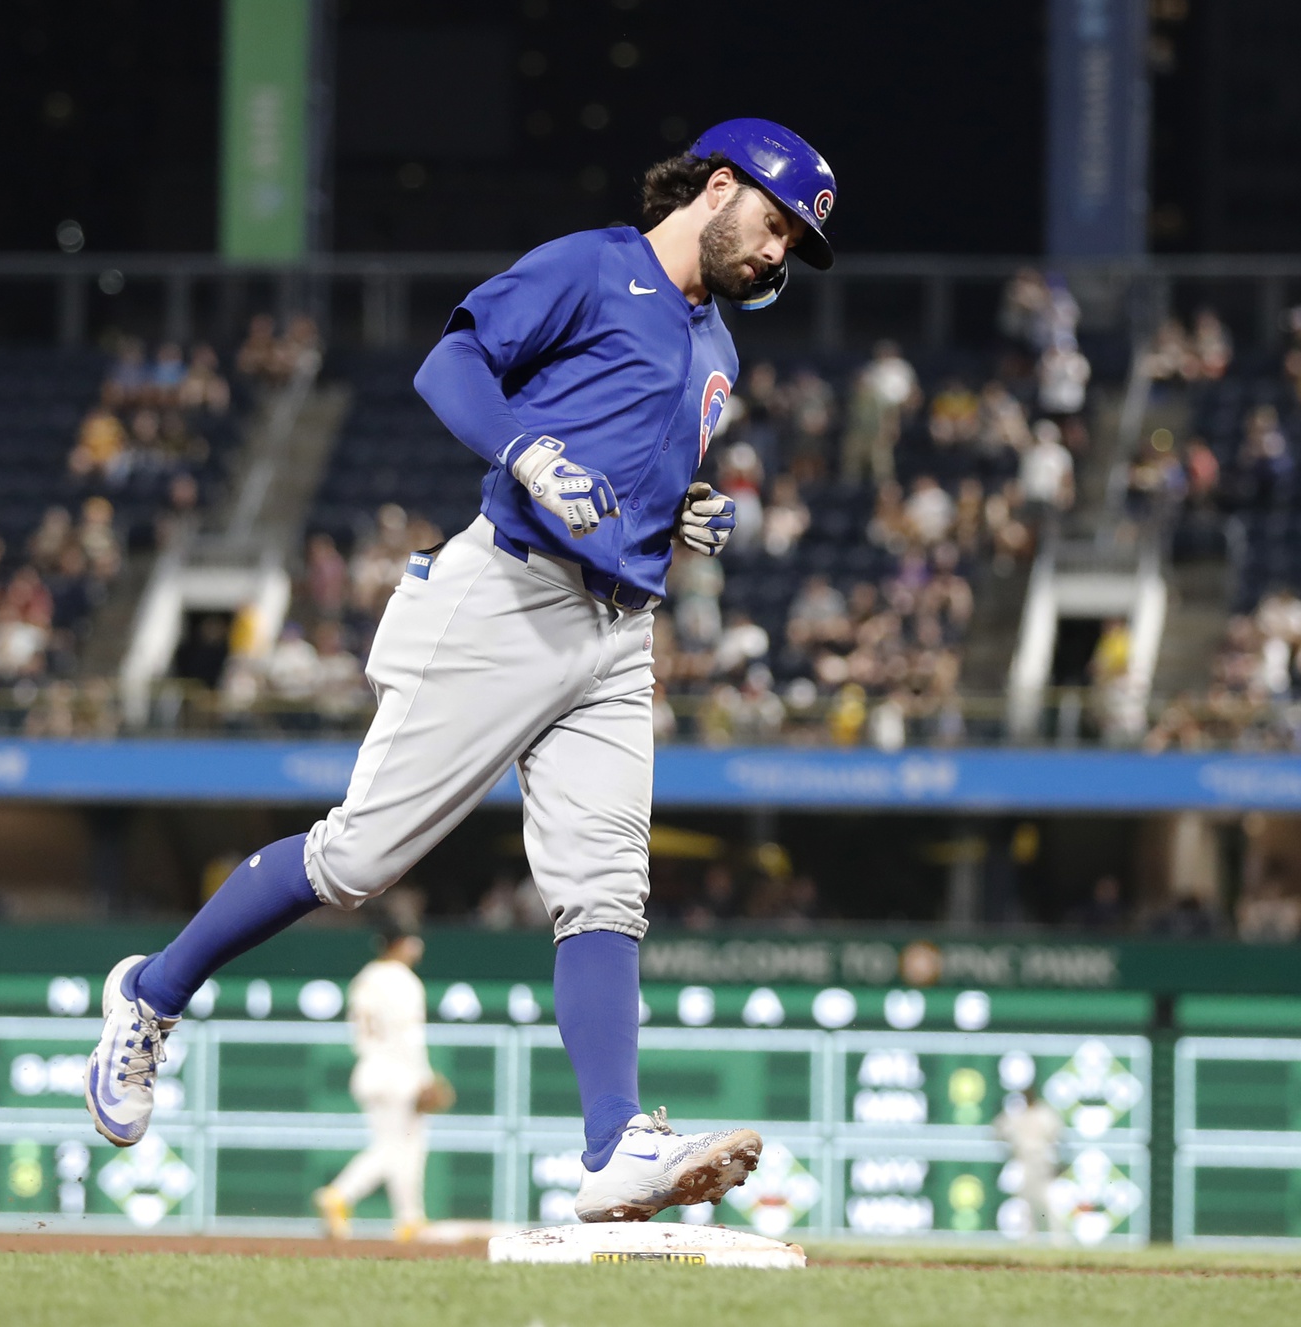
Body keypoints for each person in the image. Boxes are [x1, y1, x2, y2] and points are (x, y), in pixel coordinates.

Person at [83, 118, 840, 1224]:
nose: (777, 254)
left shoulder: (721, 348)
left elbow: (625, 453)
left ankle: (613, 1146)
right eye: (773, 224)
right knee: (358, 859)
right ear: (717, 187)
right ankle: (150, 996)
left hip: (618, 630)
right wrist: (525, 450)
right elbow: (453, 363)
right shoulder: (594, 265)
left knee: (606, 893)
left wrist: (681, 505)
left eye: (791, 244)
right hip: (505, 598)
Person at [314, 928, 445, 1242]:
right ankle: (340, 1194)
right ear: (399, 945)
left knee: (403, 1145)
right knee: (399, 1148)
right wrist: (424, 1078)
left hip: (369, 1068)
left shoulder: (365, 978)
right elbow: (410, 1035)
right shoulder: (404, 980)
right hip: (399, 1072)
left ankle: (410, 1218)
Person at [992, 1087, 1062, 1241]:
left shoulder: (1042, 1114)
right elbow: (998, 1129)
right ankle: (1031, 1238)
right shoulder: (1019, 1114)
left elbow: (1056, 1135)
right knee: (1027, 1203)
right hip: (1026, 1161)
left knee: (1047, 1202)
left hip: (1040, 1161)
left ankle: (1058, 1239)